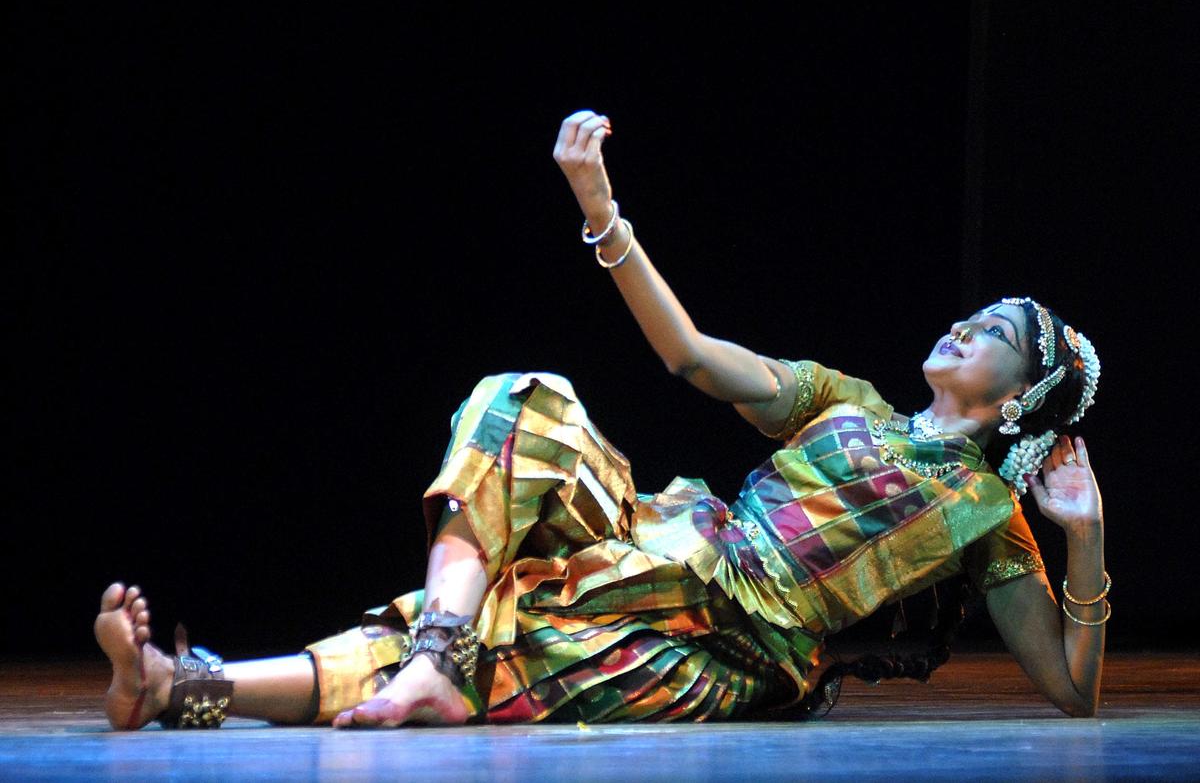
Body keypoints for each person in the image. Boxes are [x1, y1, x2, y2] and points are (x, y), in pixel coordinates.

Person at [94, 110, 1106, 730]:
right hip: (677, 540)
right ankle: (435, 656)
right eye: (977, 314)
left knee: (520, 635)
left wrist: (1087, 537)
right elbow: (690, 354)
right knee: (523, 399)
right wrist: (601, 213)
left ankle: (178, 686)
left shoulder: (986, 514)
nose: (967, 323)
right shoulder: (848, 399)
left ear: (1017, 396)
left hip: (730, 650)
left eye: (997, 332)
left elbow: (1071, 693)